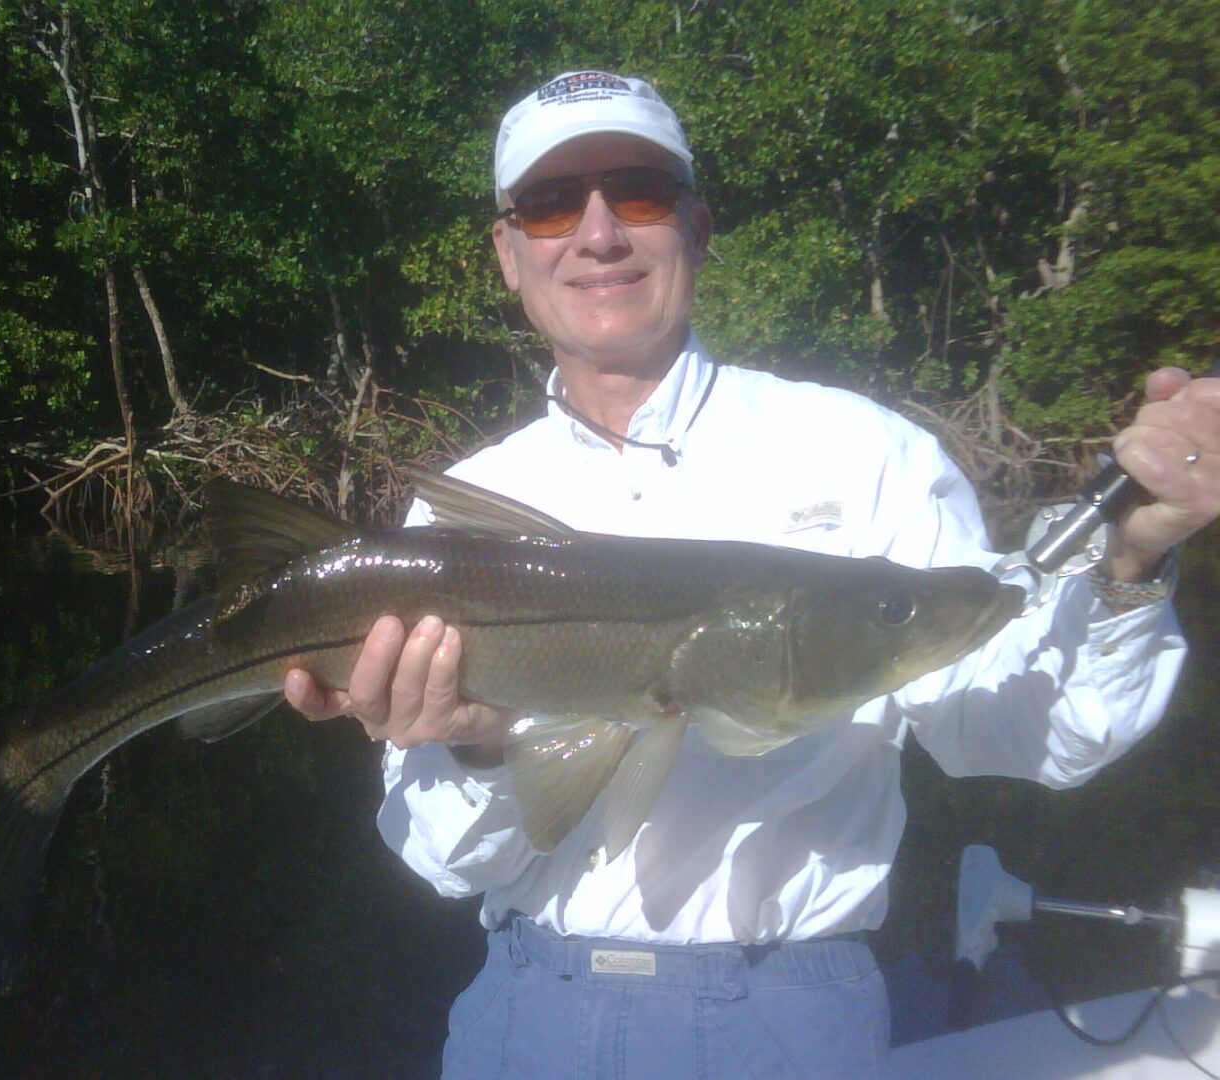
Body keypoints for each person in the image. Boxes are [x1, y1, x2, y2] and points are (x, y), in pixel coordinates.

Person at [285, 72, 1220, 1078]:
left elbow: (1031, 730)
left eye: (638, 190)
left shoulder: (870, 455)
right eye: (553, 203)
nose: (597, 234)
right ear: (508, 255)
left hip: (784, 1023)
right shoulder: (459, 513)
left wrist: (1129, 561)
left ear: (696, 224)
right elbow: (441, 864)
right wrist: (473, 752)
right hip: (523, 1014)